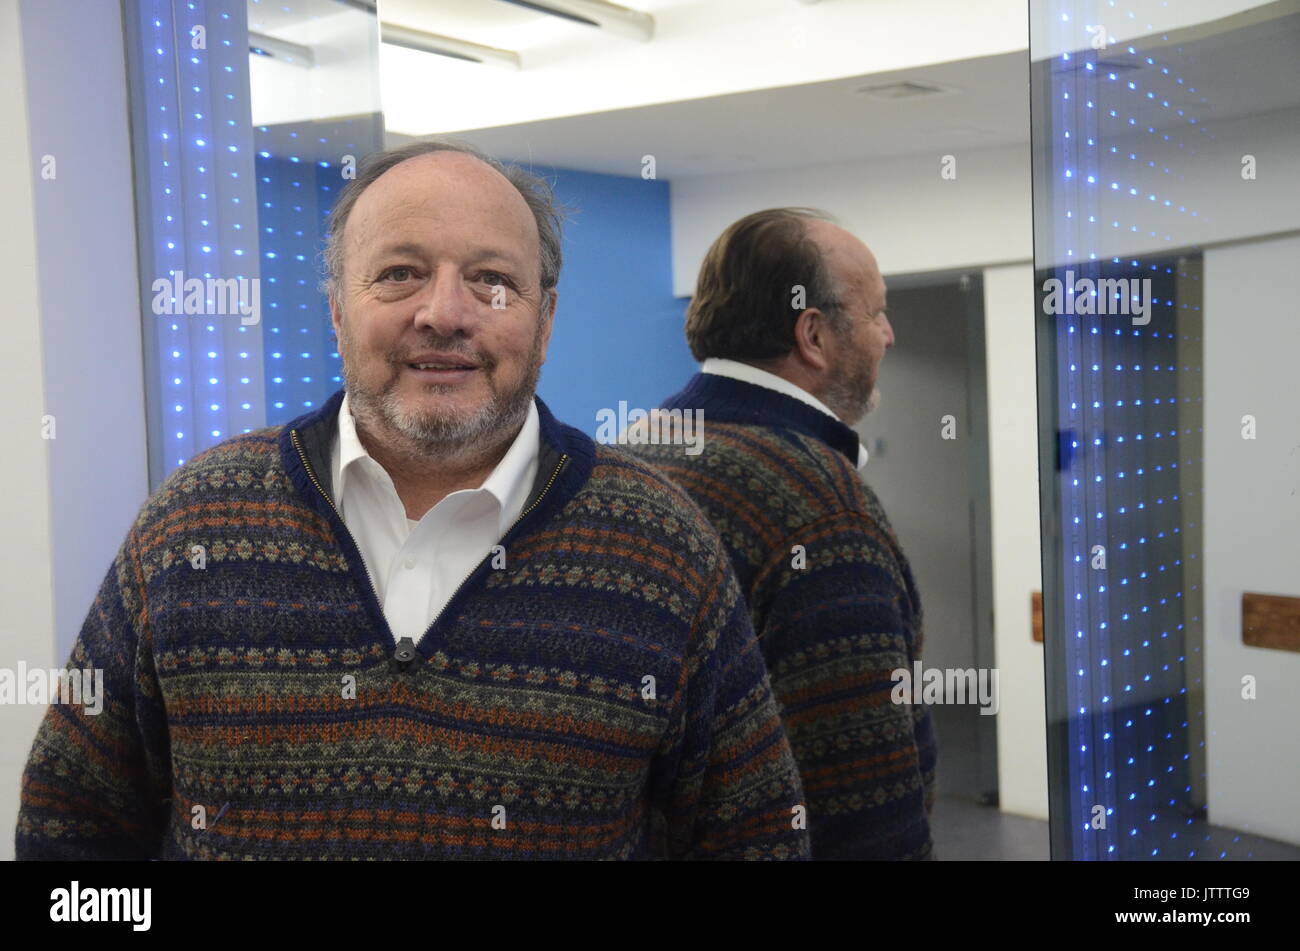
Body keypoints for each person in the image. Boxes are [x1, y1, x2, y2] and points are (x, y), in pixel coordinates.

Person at [14, 142, 809, 861]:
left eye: (491, 281)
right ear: (335, 307)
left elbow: (756, 838)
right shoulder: (194, 523)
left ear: (545, 319)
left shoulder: (663, 546)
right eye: (399, 273)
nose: (444, 312)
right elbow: (69, 826)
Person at [626, 208, 936, 859]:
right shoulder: (819, 505)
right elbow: (863, 806)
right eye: (875, 311)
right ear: (814, 334)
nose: (889, 334)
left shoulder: (628, 454)